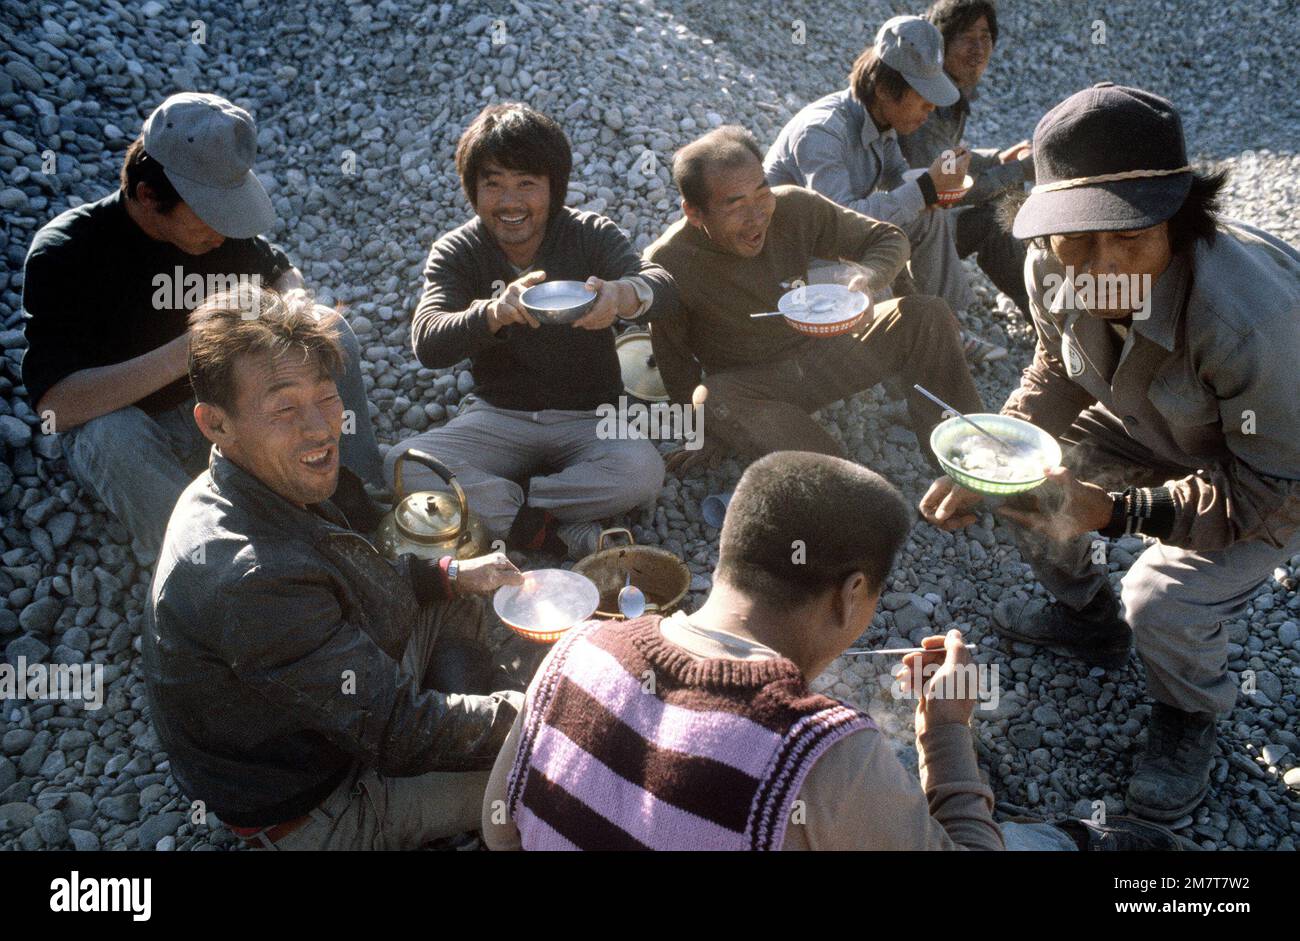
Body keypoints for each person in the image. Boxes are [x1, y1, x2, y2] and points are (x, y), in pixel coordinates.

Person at [919, 83, 1300, 822]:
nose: (1102, 266)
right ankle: (1088, 616)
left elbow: (1269, 489)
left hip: (1271, 465)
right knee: (1019, 480)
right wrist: (989, 452)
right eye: (1078, 235)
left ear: (1180, 221)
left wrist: (1119, 514)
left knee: (1162, 598)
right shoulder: (1048, 265)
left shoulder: (1251, 322)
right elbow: (1057, 368)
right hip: (1149, 419)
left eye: (1129, 236)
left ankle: (1189, 713)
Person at [480, 451, 1183, 850]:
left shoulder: (574, 652)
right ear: (851, 592)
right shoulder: (818, 749)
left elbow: (500, 828)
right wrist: (945, 734)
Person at [143, 287, 528, 850]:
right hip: (322, 806)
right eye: (283, 409)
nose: (320, 429)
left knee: (460, 594)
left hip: (334, 720)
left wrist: (445, 575)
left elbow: (353, 580)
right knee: (553, 773)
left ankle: (474, 730)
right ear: (216, 424)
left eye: (326, 397)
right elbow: (395, 730)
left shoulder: (251, 479)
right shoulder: (252, 577)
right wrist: (542, 711)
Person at [19, 92, 384, 560]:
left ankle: (356, 500)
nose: (224, 232)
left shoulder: (220, 233)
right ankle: (207, 563)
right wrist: (191, 349)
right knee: (108, 434)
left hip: (229, 405)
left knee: (328, 329)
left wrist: (292, 310)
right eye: (212, 214)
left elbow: (281, 272)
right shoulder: (66, 252)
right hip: (148, 433)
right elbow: (57, 405)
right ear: (149, 195)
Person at [386, 103, 677, 560]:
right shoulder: (458, 250)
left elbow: (662, 286)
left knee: (642, 474)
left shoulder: (589, 234)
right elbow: (428, 339)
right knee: (402, 465)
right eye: (493, 183)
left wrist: (621, 297)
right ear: (473, 190)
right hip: (498, 414)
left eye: (527, 184)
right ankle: (554, 530)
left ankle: (509, 508)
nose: (510, 203)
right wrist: (492, 314)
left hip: (589, 417)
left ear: (553, 188)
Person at [646, 124, 983, 474]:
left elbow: (887, 239)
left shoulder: (793, 207)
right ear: (694, 212)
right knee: (712, 398)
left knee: (925, 315)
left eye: (762, 194)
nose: (757, 216)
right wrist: (705, 432)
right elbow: (674, 358)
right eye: (735, 206)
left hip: (824, 352)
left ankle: (968, 458)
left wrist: (867, 276)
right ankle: (843, 480)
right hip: (754, 389)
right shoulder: (669, 262)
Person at [765, 15, 1006, 363]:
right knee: (879, 291)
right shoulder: (822, 132)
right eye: (923, 100)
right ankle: (911, 345)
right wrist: (924, 189)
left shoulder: (881, 121)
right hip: (796, 263)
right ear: (883, 89)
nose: (931, 110)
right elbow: (840, 226)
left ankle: (944, 321)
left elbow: (898, 177)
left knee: (928, 216)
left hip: (832, 242)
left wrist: (940, 184)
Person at [898, 0, 1033, 317]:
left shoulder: (950, 90)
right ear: (941, 43)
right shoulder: (924, 99)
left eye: (985, 37)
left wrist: (998, 158)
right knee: (995, 219)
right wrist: (1019, 170)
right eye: (966, 36)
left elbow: (949, 159)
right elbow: (940, 187)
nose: (978, 49)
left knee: (1004, 203)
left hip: (914, 220)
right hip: (903, 235)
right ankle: (1049, 316)